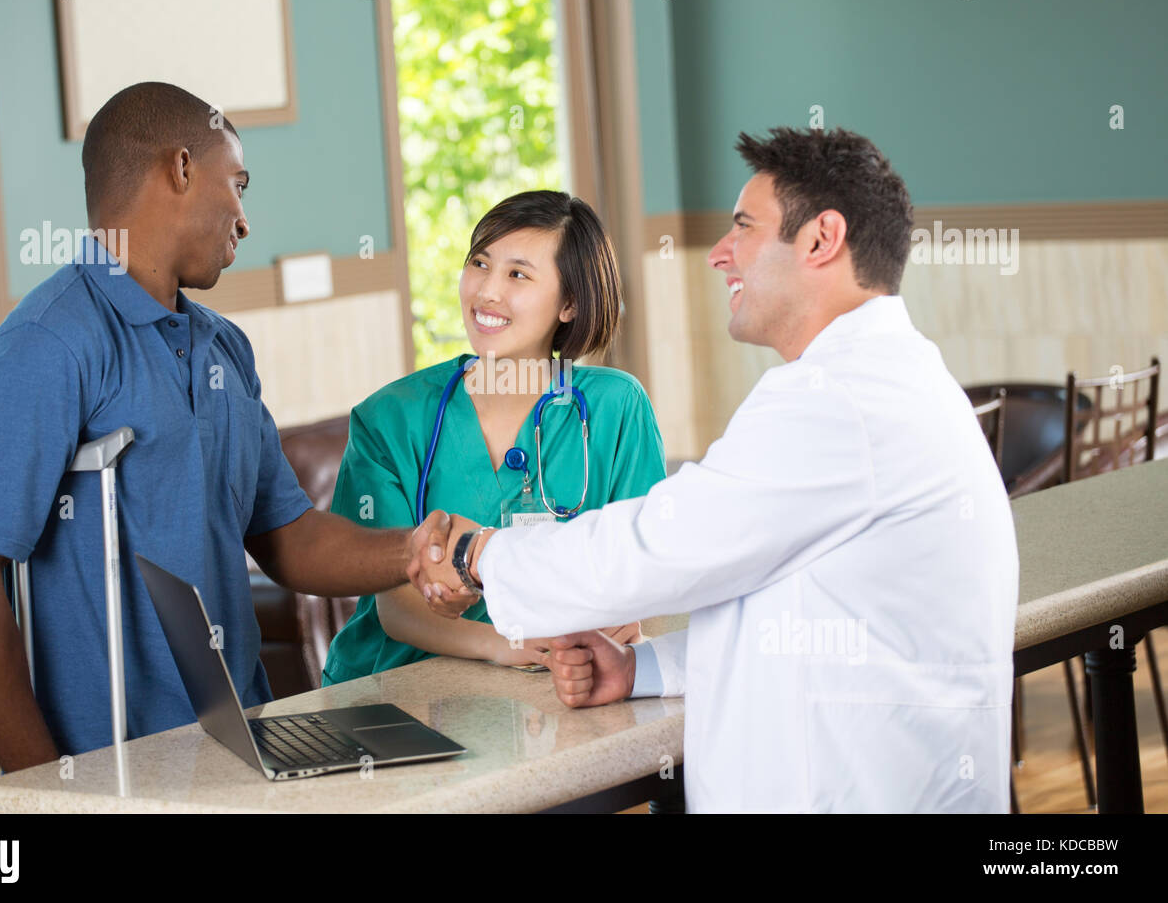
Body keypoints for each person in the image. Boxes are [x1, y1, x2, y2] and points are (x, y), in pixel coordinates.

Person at [407, 128, 1020, 813]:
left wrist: (477, 552)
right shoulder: (879, 378)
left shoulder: (839, 401)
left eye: (743, 228)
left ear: (821, 239)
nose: (719, 255)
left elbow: (658, 548)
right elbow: (787, 616)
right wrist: (641, 668)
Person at [0, 82, 443, 771]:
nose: (245, 220)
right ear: (182, 168)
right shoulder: (50, 343)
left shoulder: (223, 347)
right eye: (239, 184)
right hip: (116, 767)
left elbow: (289, 538)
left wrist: (421, 550)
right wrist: (43, 789)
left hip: (241, 746)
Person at [322, 191, 666, 684]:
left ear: (569, 303)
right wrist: (514, 646)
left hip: (557, 681)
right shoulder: (391, 418)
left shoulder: (615, 408)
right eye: (479, 263)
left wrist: (621, 615)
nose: (487, 292)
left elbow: (643, 563)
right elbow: (396, 609)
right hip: (397, 689)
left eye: (517, 274)